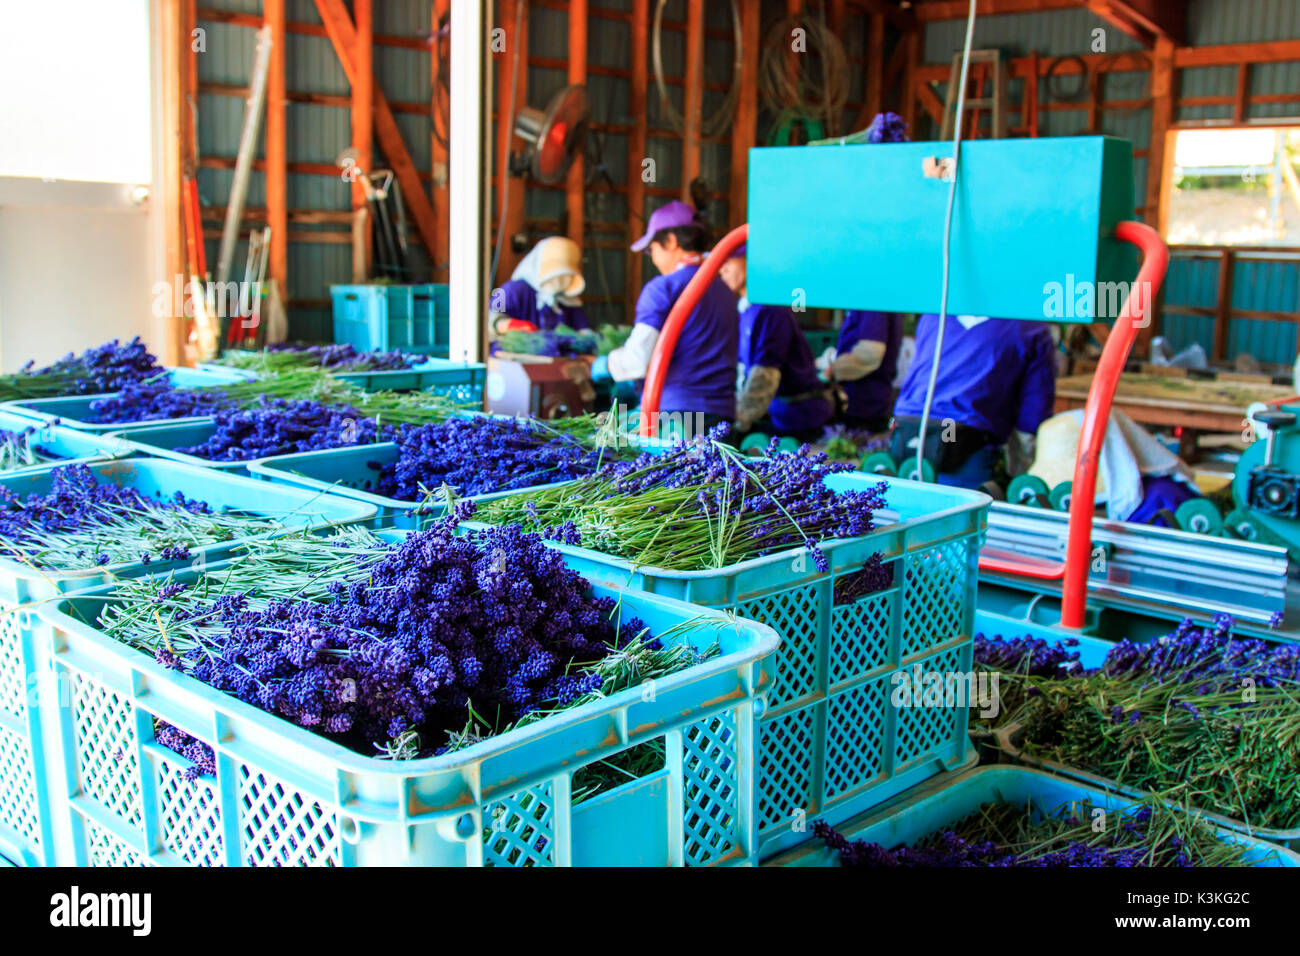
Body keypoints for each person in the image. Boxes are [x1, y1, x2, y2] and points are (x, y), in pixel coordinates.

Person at [591, 201, 738, 438]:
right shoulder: (724, 290)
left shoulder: (663, 288)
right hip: (723, 418)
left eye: (652, 250)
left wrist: (604, 365)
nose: (653, 259)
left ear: (670, 241)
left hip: (676, 420)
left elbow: (637, 361)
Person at [891, 314, 1056, 489]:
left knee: (907, 511)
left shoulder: (936, 312)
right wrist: (1021, 472)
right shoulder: (1028, 324)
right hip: (966, 445)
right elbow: (1035, 408)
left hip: (907, 430)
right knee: (961, 514)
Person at [717, 242, 831, 442]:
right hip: (776, 413)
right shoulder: (744, 309)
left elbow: (765, 375)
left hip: (799, 418)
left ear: (750, 261)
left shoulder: (770, 309)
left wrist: (738, 421)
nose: (721, 269)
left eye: (728, 261)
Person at [490, 236, 589, 333]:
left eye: (567, 276)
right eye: (556, 274)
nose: (560, 281)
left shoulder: (569, 301)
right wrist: (505, 324)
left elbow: (582, 328)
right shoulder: (511, 290)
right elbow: (489, 317)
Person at [833, 310, 903, 432]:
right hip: (861, 402)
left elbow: (870, 352)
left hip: (867, 405)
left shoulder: (874, 300)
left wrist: (832, 371)